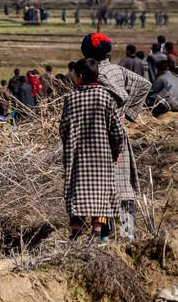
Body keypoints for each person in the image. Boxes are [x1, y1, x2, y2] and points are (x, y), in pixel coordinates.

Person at [82, 32, 149, 240]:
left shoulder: (90, 74)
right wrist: (126, 113)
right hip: (119, 133)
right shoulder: (119, 71)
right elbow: (144, 85)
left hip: (96, 136)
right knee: (124, 186)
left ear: (86, 52)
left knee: (99, 187)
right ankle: (128, 234)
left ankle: (103, 234)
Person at [59, 57, 125, 241]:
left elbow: (64, 129)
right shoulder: (105, 97)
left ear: (80, 76)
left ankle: (76, 232)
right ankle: (97, 232)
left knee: (77, 191)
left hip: (77, 155)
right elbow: (117, 131)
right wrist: (115, 151)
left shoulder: (71, 99)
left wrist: (69, 146)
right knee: (101, 193)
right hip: (102, 156)